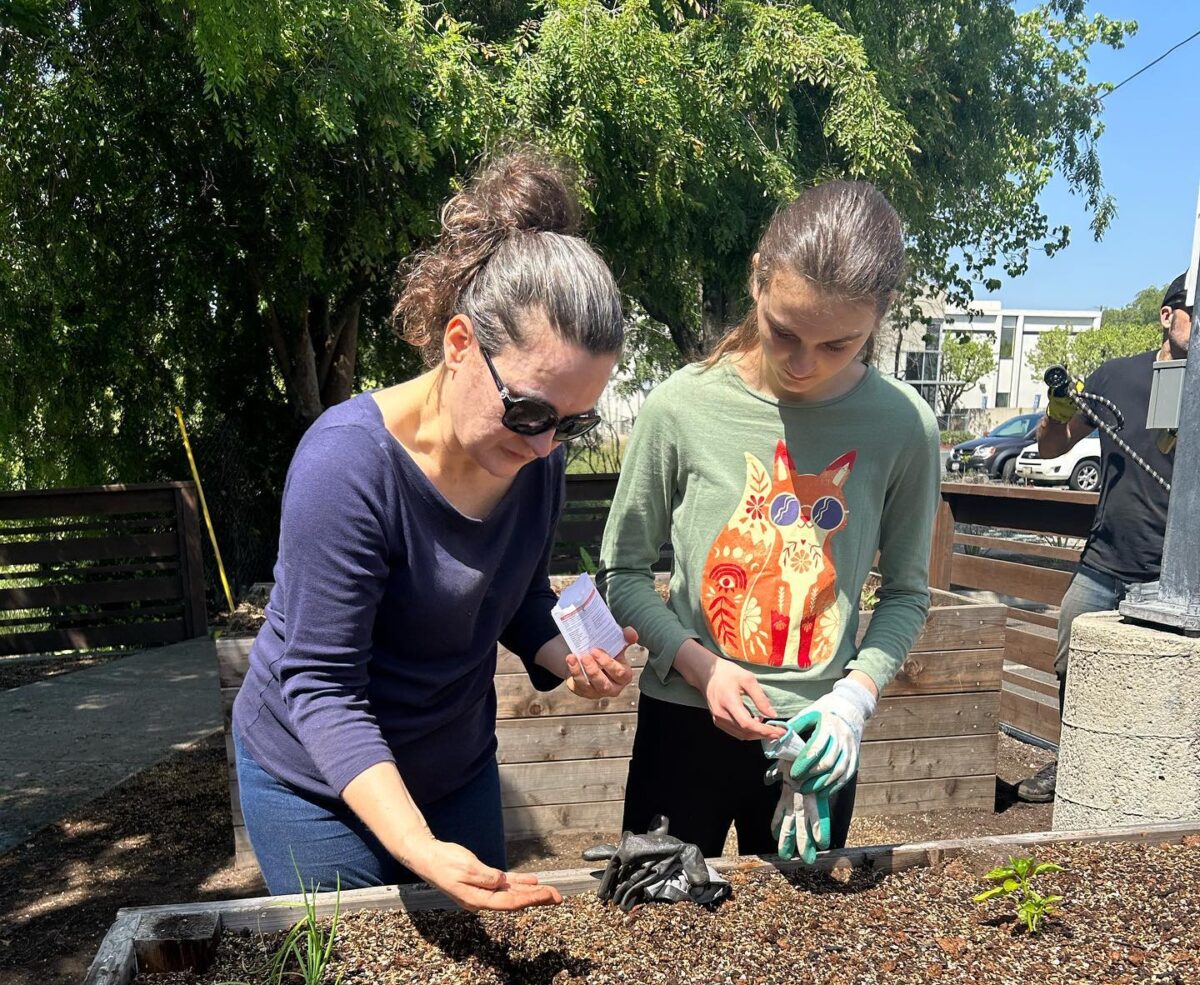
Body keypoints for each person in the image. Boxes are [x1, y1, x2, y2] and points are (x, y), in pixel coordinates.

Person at [233, 150, 636, 907]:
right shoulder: (347, 467)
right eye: (529, 412)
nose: (546, 446)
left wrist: (570, 657)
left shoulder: (534, 457)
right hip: (316, 786)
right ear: (458, 346)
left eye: (571, 425)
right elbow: (322, 686)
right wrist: (417, 846)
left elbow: (511, 598)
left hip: (456, 771)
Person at [599, 180, 941, 863]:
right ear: (758, 276)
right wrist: (703, 668)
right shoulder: (680, 407)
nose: (801, 363)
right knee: (659, 929)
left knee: (800, 943)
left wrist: (853, 701)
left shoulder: (903, 425)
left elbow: (907, 594)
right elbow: (622, 571)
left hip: (816, 737)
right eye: (784, 331)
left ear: (882, 314)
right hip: (684, 723)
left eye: (838, 345)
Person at [1016, 272, 1193, 802]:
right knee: (1072, 652)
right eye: (1196, 312)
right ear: (1167, 315)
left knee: (1166, 685)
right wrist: (1059, 402)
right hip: (1106, 563)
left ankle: (1147, 783)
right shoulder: (1117, 377)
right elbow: (1051, 448)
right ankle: (1071, 763)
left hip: (1177, 578)